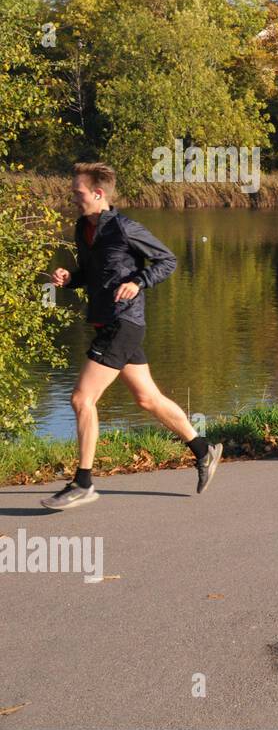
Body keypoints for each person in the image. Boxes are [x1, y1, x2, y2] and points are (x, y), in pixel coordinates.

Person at [40, 162, 222, 510]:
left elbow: (167, 261)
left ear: (98, 194)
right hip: (107, 320)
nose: (73, 198)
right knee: (147, 398)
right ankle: (204, 450)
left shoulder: (124, 228)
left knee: (81, 399)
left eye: (78, 193)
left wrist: (138, 282)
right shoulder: (84, 228)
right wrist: (69, 279)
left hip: (123, 322)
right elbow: (93, 275)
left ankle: (83, 483)